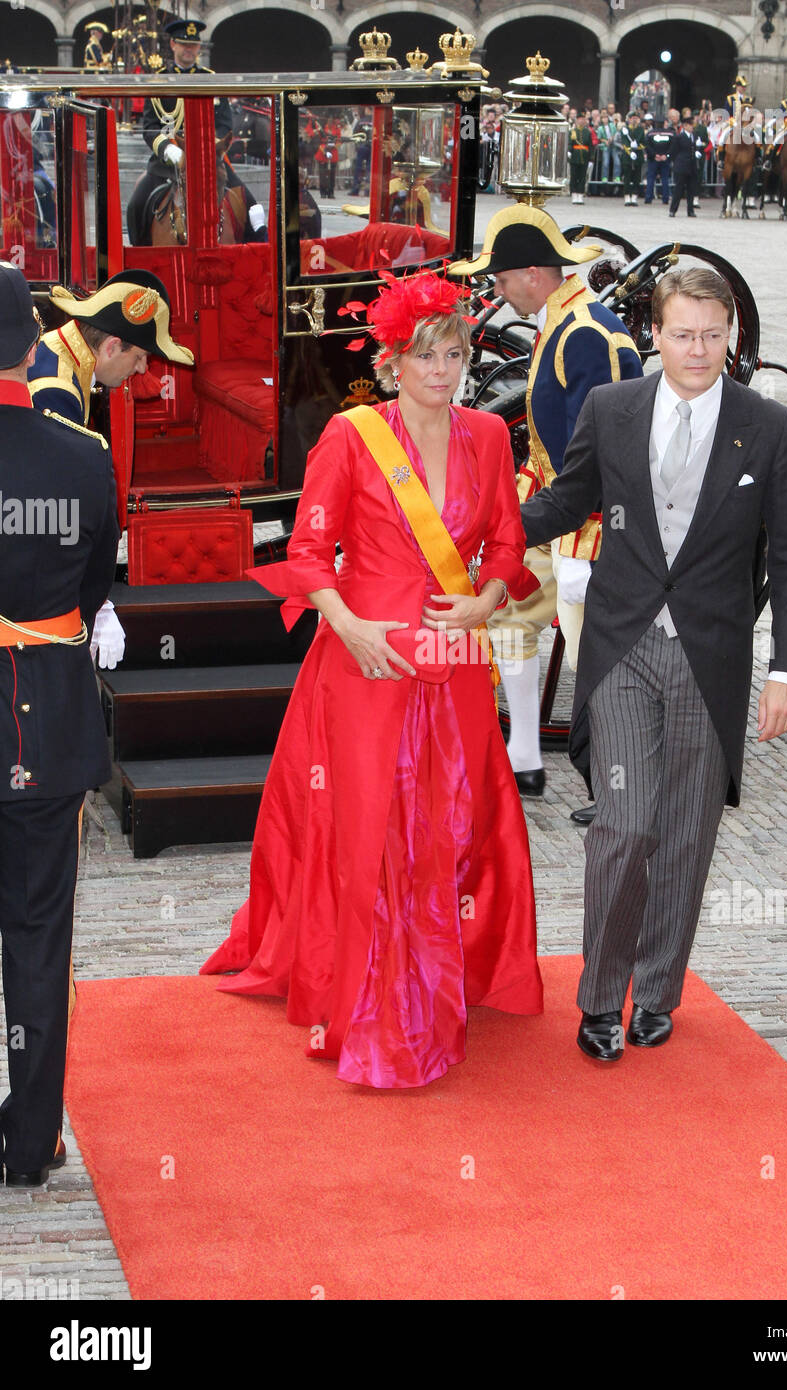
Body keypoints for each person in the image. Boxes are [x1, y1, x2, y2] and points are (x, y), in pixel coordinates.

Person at [202, 271, 544, 1088]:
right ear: (392, 361)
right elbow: (308, 554)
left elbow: (504, 542)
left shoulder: (489, 438)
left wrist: (486, 602)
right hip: (366, 658)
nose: (440, 369)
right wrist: (348, 626)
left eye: (454, 353)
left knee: (456, 813)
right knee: (369, 821)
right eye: (424, 355)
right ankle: (364, 983)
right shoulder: (352, 436)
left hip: (454, 654)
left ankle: (445, 961)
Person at [519, 267, 787, 1060]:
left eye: (714, 336)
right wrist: (478, 527)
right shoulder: (611, 409)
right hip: (621, 645)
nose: (698, 350)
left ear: (733, 336)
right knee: (625, 823)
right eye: (683, 334)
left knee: (685, 832)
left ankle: (656, 992)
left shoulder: (769, 427)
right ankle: (596, 998)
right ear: (655, 333)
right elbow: (564, 501)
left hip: (710, 657)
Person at [450, 206, 642, 824]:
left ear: (534, 273)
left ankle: (625, 786)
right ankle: (526, 753)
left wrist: (581, 523)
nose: (499, 294)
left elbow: (609, 450)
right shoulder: (565, 324)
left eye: (502, 280)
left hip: (588, 521)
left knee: (600, 658)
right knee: (510, 613)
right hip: (559, 509)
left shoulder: (585, 332)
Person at [0, 262, 119, 1185]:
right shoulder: (84, 457)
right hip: (46, 716)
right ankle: (32, 1144)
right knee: (39, 933)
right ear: (33, 347)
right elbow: (90, 592)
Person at [28, 269, 194, 670]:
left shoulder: (64, 356)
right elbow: (57, 512)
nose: (140, 371)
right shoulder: (57, 387)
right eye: (139, 358)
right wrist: (89, 604)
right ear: (112, 346)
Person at [127, 18, 266, 246]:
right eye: (183, 44)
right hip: (167, 164)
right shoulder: (159, 80)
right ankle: (139, 255)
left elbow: (224, 124)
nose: (189, 50)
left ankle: (259, 250)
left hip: (208, 160)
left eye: (193, 45)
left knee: (252, 205)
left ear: (199, 48)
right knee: (136, 204)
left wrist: (209, 147)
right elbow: (150, 126)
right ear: (173, 45)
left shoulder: (210, 79)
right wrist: (169, 149)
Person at [668, 113, 698, 217]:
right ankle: (673, 210)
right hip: (681, 166)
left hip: (691, 166)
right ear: (685, 126)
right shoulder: (679, 137)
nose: (692, 127)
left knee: (691, 189)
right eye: (690, 125)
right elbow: (673, 152)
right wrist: (676, 163)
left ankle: (690, 210)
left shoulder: (693, 136)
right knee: (679, 189)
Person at [569, 113, 593, 204]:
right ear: (577, 120)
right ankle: (574, 194)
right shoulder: (573, 131)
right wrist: (569, 151)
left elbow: (590, 145)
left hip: (584, 156)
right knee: (574, 176)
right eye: (580, 119)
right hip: (575, 156)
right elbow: (570, 143)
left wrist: (591, 158)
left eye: (583, 119)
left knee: (582, 176)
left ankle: (580, 194)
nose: (582, 121)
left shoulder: (587, 132)